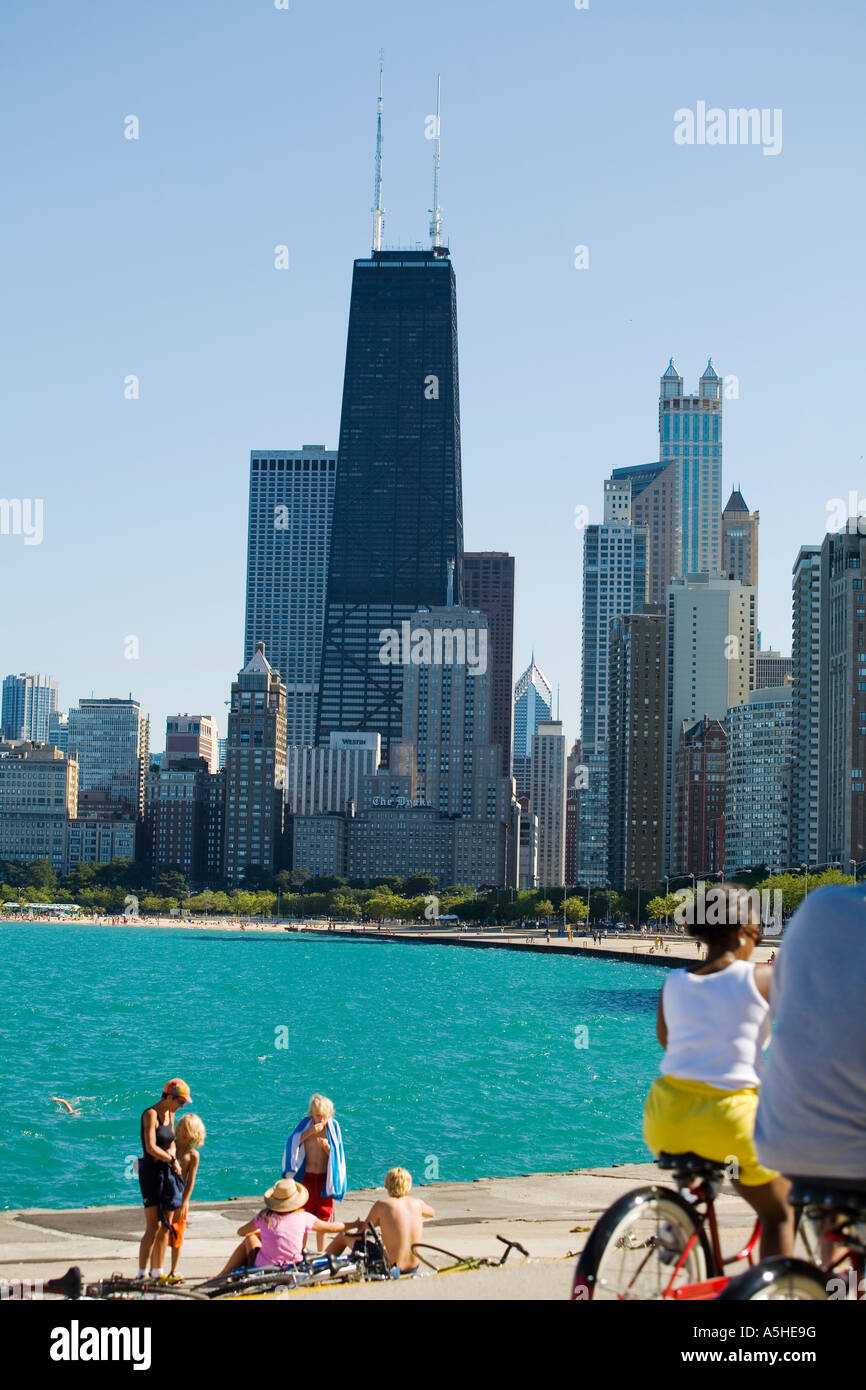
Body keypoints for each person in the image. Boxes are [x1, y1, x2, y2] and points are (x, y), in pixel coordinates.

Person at [642, 886, 793, 1258]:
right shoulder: (761, 978)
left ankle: (682, 1216)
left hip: (665, 1120)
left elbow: (669, 1042)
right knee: (778, 1213)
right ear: (746, 931)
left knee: (704, 1157)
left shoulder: (672, 983)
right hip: (732, 1123)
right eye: (757, 930)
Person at [754, 885, 866, 1184]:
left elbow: (780, 1004)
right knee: (776, 1215)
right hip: (853, 1154)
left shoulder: (820, 903)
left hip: (780, 1139)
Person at [215, 1179, 346, 1276]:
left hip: (265, 1268)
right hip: (293, 1266)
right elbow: (332, 1227)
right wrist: (354, 1224)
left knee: (250, 1237)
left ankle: (224, 1274)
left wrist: (262, 1231)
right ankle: (226, 1274)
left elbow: (241, 1232)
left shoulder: (264, 1216)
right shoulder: (304, 1217)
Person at [326, 1167, 435, 1275]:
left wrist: (359, 1225)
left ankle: (321, 1267)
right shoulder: (418, 1203)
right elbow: (432, 1213)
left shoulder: (382, 1205)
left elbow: (362, 1232)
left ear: (387, 1184)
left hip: (391, 1267)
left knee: (343, 1236)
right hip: (413, 1267)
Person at [137, 1078, 192, 1280]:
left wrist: (173, 1156)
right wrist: (171, 1158)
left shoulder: (171, 1114)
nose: (182, 1106)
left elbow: (172, 1143)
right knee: (153, 1226)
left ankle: (157, 1272)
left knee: (166, 1225)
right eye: (180, 1102)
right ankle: (142, 1273)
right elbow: (151, 1147)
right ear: (169, 1097)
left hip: (168, 1172)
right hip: (151, 1173)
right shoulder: (150, 1115)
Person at [283, 1093, 347, 1251]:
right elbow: (293, 1141)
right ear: (312, 1114)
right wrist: (311, 1131)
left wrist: (327, 1149)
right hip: (308, 1177)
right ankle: (301, 1249)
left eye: (324, 1117)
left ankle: (321, 1251)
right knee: (303, 1214)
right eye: (318, 1116)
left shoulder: (333, 1127)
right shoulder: (305, 1125)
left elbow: (337, 1153)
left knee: (324, 1216)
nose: (321, 1120)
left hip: (325, 1178)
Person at [167, 1113, 206, 1279]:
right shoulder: (171, 1146)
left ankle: (173, 1270)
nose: (183, 1132)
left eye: (188, 1130)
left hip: (180, 1198)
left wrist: (184, 1203)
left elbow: (190, 1182)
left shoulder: (193, 1155)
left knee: (177, 1236)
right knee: (161, 1233)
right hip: (166, 1194)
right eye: (182, 1128)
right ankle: (157, 1268)